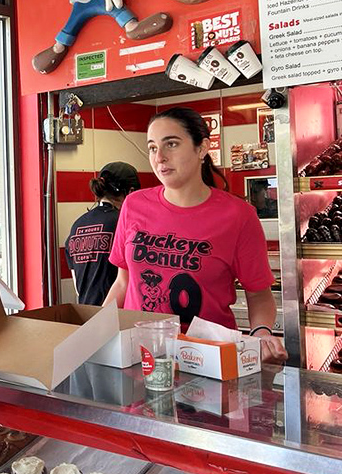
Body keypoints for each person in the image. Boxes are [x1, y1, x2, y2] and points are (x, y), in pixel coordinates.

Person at [104, 107, 287, 363]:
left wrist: (261, 333)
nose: (160, 157)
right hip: (140, 357)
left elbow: (258, 294)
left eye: (172, 144)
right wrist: (97, 333)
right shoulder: (134, 205)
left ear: (202, 148)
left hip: (207, 359)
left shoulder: (238, 215)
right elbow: (123, 283)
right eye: (153, 147)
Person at [65, 162, 140, 305]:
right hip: (117, 316)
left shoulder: (77, 226)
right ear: (131, 192)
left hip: (87, 313)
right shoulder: (124, 224)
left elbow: (78, 286)